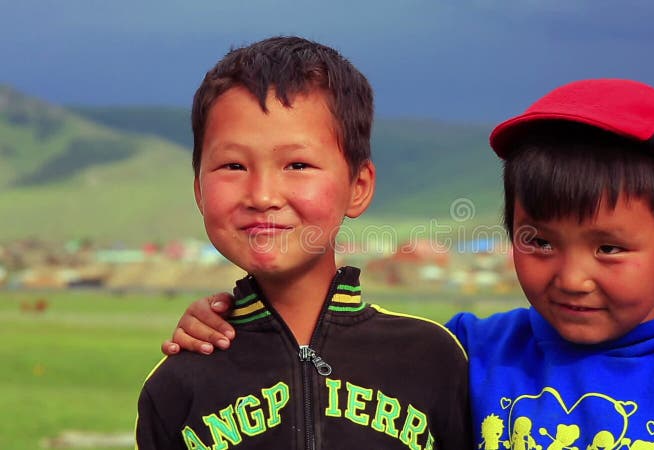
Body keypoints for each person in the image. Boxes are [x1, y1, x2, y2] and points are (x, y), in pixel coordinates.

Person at [162, 78, 654, 448]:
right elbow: (351, 342)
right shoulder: (473, 352)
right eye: (539, 241)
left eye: (609, 247)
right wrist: (234, 321)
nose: (571, 277)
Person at [135, 36, 471, 450]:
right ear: (200, 192)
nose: (262, 195)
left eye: (297, 164)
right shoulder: (178, 383)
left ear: (358, 187)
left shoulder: (432, 359)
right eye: (233, 165)